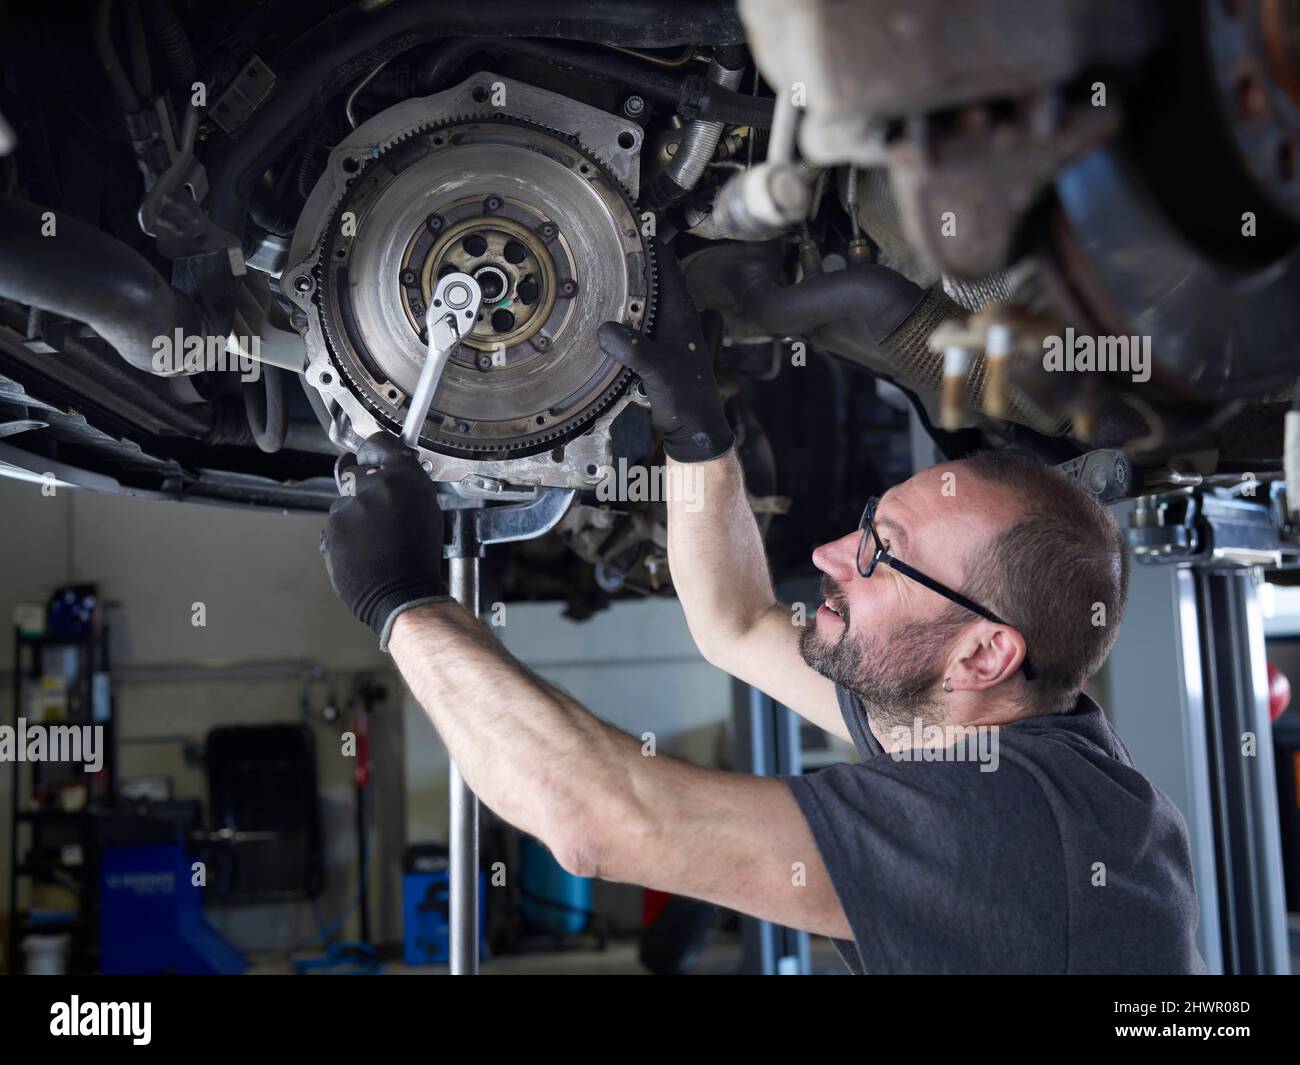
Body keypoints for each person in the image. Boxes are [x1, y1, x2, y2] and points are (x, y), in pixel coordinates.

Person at [320, 256, 1205, 974]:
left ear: (984, 653)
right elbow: (738, 623)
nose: (826, 556)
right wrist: (699, 438)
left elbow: (598, 822)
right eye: (866, 528)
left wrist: (404, 603)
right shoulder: (988, 733)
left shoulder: (1011, 829)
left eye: (879, 555)